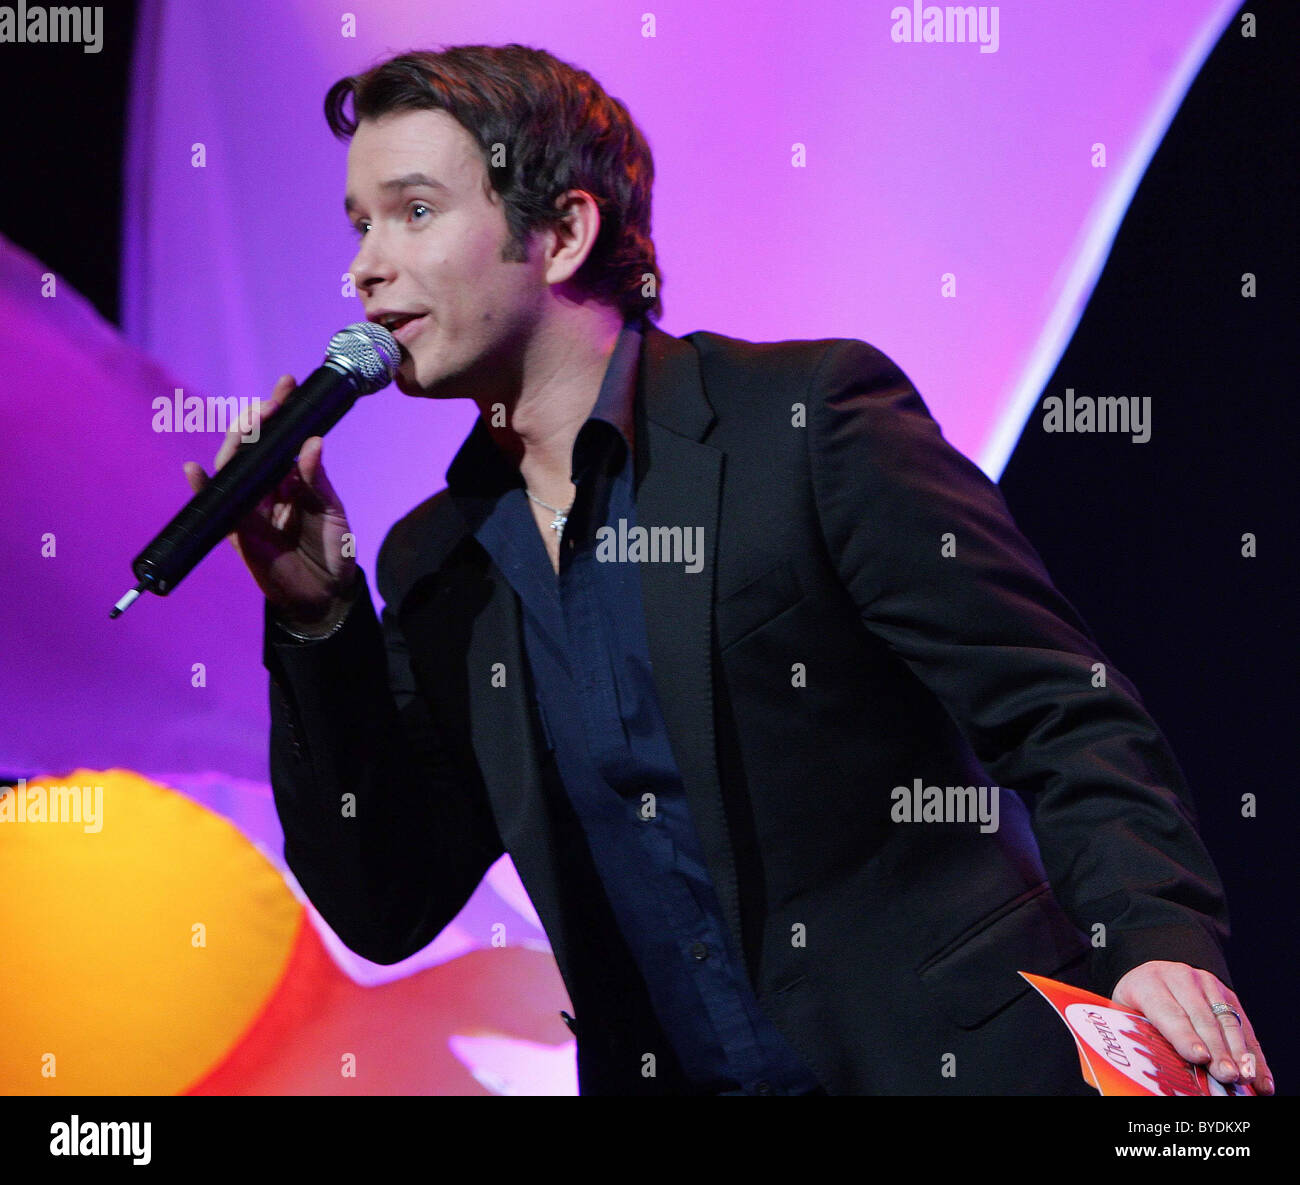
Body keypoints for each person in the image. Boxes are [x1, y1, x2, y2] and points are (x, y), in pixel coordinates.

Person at [184, 44, 1272, 1096]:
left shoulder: (804, 425)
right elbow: (384, 902)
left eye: (415, 212)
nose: (365, 264)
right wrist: (318, 624)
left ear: (561, 232)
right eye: (361, 222)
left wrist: (1152, 936)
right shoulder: (440, 562)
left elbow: (1058, 712)